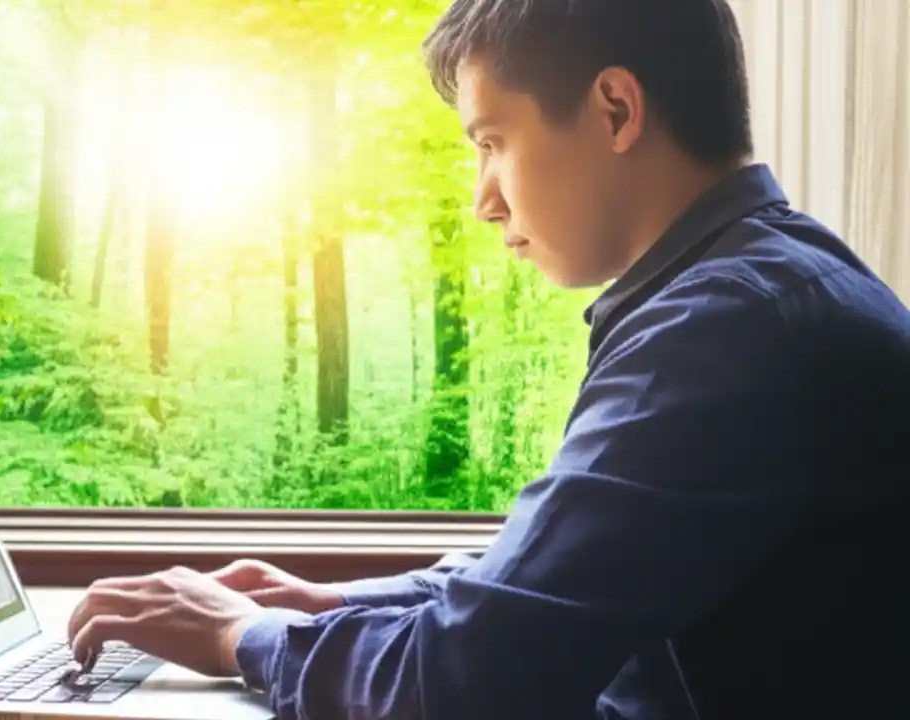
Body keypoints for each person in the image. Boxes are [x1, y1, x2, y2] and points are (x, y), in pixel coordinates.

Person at [67, 0, 910, 717]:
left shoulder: (725, 332)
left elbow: (464, 683)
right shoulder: (770, 286)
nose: (483, 199)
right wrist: (335, 604)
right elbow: (554, 584)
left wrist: (235, 635)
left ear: (616, 110)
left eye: (491, 141)